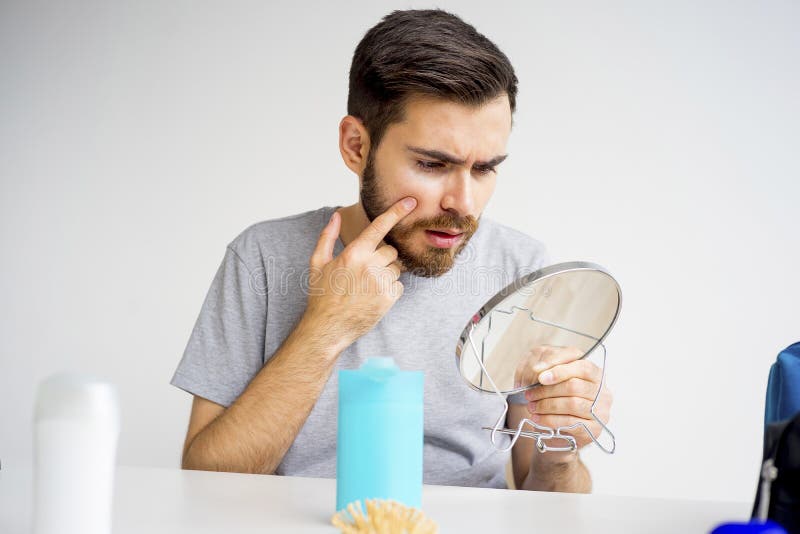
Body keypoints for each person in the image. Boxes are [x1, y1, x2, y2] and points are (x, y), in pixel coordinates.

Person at [171, 8, 612, 493]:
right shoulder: (262, 257)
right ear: (356, 146)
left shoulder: (518, 267)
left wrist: (560, 451)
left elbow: (544, 504)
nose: (464, 204)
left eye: (485, 168)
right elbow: (205, 485)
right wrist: (325, 329)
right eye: (432, 164)